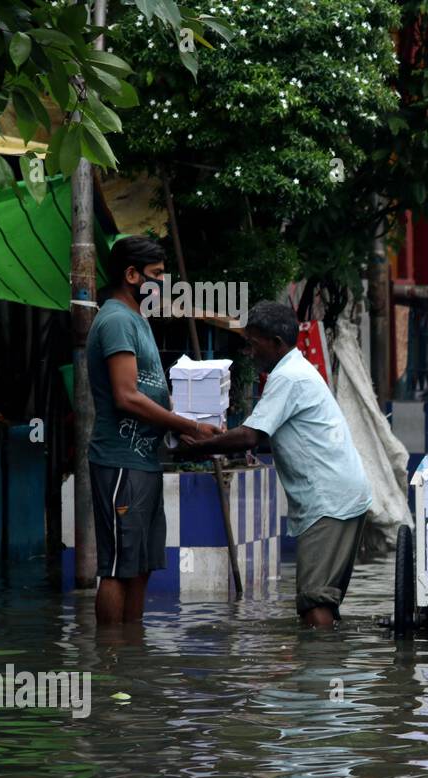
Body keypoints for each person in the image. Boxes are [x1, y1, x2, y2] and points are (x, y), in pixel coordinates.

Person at [180, 302, 372, 628]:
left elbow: (251, 436)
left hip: (329, 502)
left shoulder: (289, 378)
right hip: (338, 498)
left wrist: (199, 448)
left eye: (253, 343)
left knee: (314, 603)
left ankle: (318, 674)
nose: (248, 351)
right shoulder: (296, 372)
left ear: (276, 343)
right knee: (322, 601)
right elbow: (261, 433)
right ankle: (327, 669)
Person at [88, 236, 224, 625]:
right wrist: (191, 424)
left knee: (142, 565)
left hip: (145, 462)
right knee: (117, 566)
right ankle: (112, 662)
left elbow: (150, 392)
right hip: (119, 463)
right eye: (157, 276)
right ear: (131, 275)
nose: (164, 284)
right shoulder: (115, 320)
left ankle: (132, 656)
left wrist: (184, 427)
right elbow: (127, 397)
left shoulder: (139, 319)